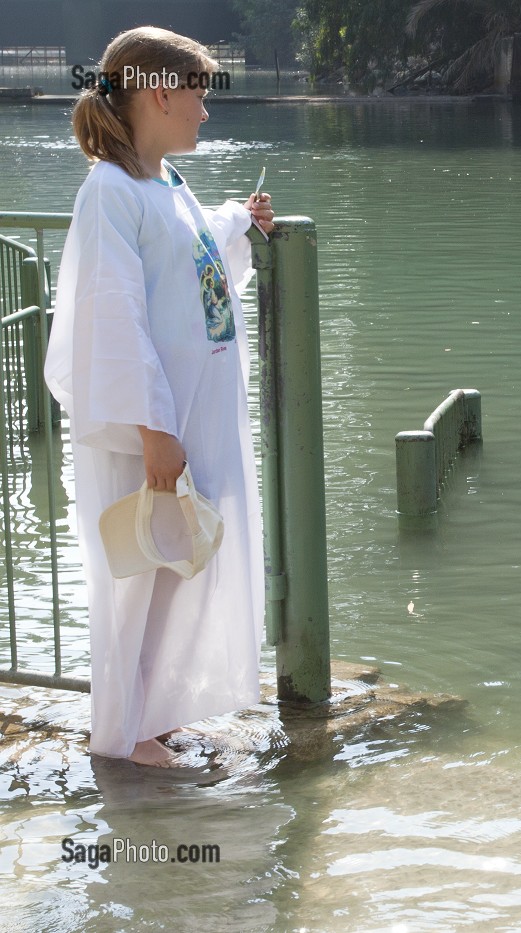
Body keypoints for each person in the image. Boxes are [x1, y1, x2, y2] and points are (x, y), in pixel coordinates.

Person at [44, 27, 276, 766]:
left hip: (189, 419)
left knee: (177, 568)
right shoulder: (109, 191)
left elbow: (192, 249)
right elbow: (112, 311)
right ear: (159, 92)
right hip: (151, 430)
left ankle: (157, 712)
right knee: (138, 576)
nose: (207, 112)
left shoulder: (164, 184)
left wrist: (241, 219)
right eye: (200, 94)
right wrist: (152, 427)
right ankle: (122, 734)